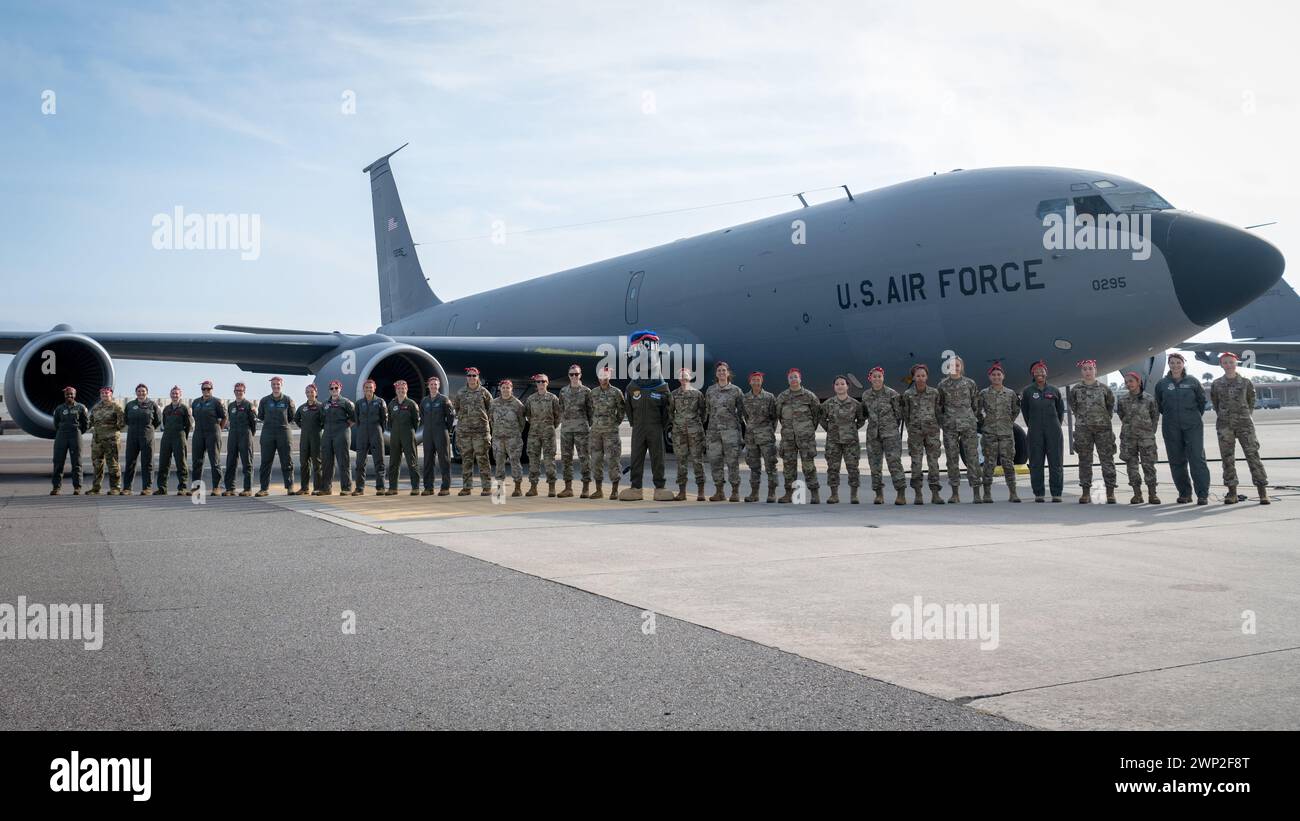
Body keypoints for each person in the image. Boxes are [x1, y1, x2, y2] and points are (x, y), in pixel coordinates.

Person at [621, 330, 674, 501]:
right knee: (636, 457)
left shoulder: (662, 388)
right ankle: (636, 488)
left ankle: (660, 487)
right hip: (638, 428)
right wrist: (636, 423)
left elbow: (668, 410)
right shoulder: (632, 388)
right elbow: (628, 409)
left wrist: (660, 425)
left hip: (655, 427)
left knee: (658, 458)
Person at [1211, 352, 1269, 504]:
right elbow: (1216, 403)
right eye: (1225, 362)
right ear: (1221, 365)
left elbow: (1251, 401)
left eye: (1231, 362)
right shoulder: (1216, 384)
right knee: (1227, 459)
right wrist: (1226, 416)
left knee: (1253, 456)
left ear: (1236, 363)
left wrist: (1244, 415)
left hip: (1245, 425)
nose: (1228, 365)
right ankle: (1232, 493)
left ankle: (1262, 491)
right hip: (1225, 425)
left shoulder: (1245, 382)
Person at [1154, 352, 1210, 505]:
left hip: (1193, 425)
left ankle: (1202, 494)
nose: (1175, 365)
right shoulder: (1162, 384)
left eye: (1178, 362)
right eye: (1172, 363)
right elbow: (1159, 404)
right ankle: (1184, 493)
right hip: (1171, 426)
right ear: (1169, 364)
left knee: (1197, 459)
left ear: (1183, 364)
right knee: (1176, 460)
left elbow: (1201, 402)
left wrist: (1192, 416)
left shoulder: (1193, 382)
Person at [1067, 359, 1117, 504]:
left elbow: (1110, 406)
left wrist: (1101, 419)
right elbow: (1074, 407)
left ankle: (1110, 492)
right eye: (1085, 369)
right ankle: (1085, 492)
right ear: (1081, 372)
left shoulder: (1104, 389)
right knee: (1084, 461)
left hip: (1103, 430)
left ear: (1095, 371)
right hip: (1083, 430)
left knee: (1107, 460)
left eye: (1090, 368)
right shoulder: (1075, 390)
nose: (1088, 372)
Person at [936, 356, 981, 503]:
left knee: (972, 458)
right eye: (951, 365)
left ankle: (976, 492)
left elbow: (975, 404)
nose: (954, 367)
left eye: (957, 365)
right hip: (950, 426)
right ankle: (955, 493)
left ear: (961, 367)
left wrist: (971, 418)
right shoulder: (942, 385)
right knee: (952, 459)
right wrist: (944, 422)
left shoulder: (970, 383)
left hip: (968, 425)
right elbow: (939, 407)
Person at [862, 366, 907, 505]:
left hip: (890, 434)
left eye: (879, 376)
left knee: (894, 463)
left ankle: (900, 494)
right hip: (873, 435)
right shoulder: (866, 395)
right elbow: (864, 413)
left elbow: (899, 414)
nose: (877, 379)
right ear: (870, 379)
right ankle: (878, 494)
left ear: (883, 377)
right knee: (875, 465)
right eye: (874, 376)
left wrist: (891, 427)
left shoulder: (892, 394)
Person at [1021, 361, 1065, 502]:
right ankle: (1039, 493)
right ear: (1033, 374)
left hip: (1053, 431)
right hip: (1035, 432)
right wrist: (1034, 425)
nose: (1040, 373)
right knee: (1036, 463)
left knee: (1056, 462)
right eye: (1036, 371)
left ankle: (1056, 493)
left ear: (1046, 373)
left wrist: (1054, 425)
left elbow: (1060, 411)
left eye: (1042, 370)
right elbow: (1025, 412)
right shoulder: (1028, 391)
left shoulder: (1054, 390)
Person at [776, 368, 821, 503]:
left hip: (805, 438)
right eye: (791, 377)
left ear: (800, 379)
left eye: (796, 377)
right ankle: (789, 494)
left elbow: (816, 415)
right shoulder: (782, 397)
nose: (793, 380)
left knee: (809, 467)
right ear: (788, 380)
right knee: (788, 467)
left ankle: (814, 494)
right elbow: (778, 415)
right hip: (788, 438)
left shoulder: (809, 396)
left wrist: (807, 429)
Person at [978, 363, 1021, 503]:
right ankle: (987, 493)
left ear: (1003, 376)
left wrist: (1008, 422)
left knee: (1008, 463)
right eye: (994, 375)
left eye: (999, 374)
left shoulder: (1010, 393)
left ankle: (1013, 493)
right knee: (989, 464)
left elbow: (1015, 410)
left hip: (1006, 433)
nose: (996, 377)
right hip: (989, 433)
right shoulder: (984, 393)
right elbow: (977, 410)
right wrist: (984, 423)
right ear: (990, 377)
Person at [902, 364, 944, 505]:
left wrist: (935, 427)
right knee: (916, 463)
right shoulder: (908, 395)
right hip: (915, 433)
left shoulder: (934, 393)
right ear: (913, 377)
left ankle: (935, 493)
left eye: (923, 375)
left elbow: (938, 412)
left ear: (927, 377)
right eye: (918, 376)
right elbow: (906, 415)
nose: (920, 378)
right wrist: (913, 428)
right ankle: (918, 493)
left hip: (932, 432)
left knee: (933, 463)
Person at [1116, 371, 1160, 504]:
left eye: (1131, 381)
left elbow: (1155, 416)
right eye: (1126, 382)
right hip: (1129, 439)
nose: (1128, 384)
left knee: (1149, 466)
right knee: (1132, 467)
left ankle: (1152, 494)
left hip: (1146, 438)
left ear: (1138, 382)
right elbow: (1122, 415)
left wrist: (1149, 432)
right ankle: (1137, 494)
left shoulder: (1149, 399)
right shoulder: (1122, 400)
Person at [705, 361, 746, 502]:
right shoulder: (710, 391)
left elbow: (741, 412)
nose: (721, 373)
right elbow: (707, 411)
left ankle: (735, 491)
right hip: (713, 432)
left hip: (731, 432)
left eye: (724, 370)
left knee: (732, 462)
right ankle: (719, 491)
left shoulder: (736, 391)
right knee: (715, 462)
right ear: (716, 374)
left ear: (728, 373)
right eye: (719, 371)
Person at [821, 376, 865, 504]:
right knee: (833, 468)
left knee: (853, 468)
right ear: (834, 387)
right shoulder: (828, 404)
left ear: (847, 386)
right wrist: (830, 430)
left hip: (850, 441)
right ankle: (834, 495)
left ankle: (854, 495)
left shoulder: (855, 404)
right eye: (837, 384)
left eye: (842, 384)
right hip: (833, 441)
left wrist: (852, 429)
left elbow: (861, 419)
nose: (840, 386)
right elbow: (822, 419)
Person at [586, 365, 625, 499]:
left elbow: (621, 411)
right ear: (598, 378)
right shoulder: (593, 393)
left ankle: (614, 490)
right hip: (596, 432)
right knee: (596, 460)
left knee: (613, 460)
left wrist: (614, 423)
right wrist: (594, 423)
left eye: (606, 378)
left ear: (609, 378)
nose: (604, 380)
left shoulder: (616, 392)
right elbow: (590, 410)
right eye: (602, 377)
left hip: (611, 432)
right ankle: (598, 490)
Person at [453, 367, 493, 496]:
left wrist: (485, 423)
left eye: (474, 376)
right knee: (466, 459)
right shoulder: (461, 393)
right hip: (465, 432)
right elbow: (457, 408)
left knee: (483, 459)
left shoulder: (484, 392)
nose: (471, 378)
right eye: (469, 376)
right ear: (466, 377)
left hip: (480, 432)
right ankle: (467, 487)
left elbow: (491, 409)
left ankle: (486, 487)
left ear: (478, 377)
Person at [670, 367, 707, 501]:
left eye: (686, 377)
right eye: (682, 377)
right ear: (679, 379)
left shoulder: (697, 394)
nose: (684, 380)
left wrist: (695, 424)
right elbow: (670, 413)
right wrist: (678, 424)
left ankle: (701, 492)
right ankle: (682, 492)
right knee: (681, 462)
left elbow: (703, 413)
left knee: (698, 461)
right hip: (679, 433)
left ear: (690, 378)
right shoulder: (674, 394)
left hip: (695, 433)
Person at [742, 371, 779, 503]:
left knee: (770, 465)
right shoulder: (745, 398)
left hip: (766, 436)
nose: (756, 382)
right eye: (754, 380)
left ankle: (771, 493)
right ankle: (754, 493)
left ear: (762, 381)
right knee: (753, 466)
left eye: (758, 380)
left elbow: (774, 417)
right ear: (750, 382)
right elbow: (745, 416)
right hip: (751, 437)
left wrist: (768, 431)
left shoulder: (769, 397)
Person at [557, 365, 593, 498]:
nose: (574, 377)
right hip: (566, 430)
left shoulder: (586, 391)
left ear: (580, 375)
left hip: (581, 430)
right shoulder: (563, 391)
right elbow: (561, 408)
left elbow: (591, 411)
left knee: (584, 458)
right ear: (568, 375)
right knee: (566, 459)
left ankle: (585, 488)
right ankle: (568, 488)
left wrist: (589, 426)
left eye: (576, 374)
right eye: (571, 374)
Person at [524, 374, 561, 497]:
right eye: (538, 382)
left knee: (549, 461)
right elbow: (528, 416)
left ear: (547, 383)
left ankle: (551, 487)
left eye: (543, 381)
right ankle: (533, 487)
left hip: (548, 433)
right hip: (534, 434)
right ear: (536, 384)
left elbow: (557, 416)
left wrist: (549, 427)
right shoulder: (530, 399)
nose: (540, 384)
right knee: (533, 461)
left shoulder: (553, 398)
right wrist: (536, 425)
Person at [122, 384, 162, 495]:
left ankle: (147, 488)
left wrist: (148, 429)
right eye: (139, 391)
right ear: (136, 392)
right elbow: (126, 419)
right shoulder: (130, 405)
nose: (141, 393)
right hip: (132, 436)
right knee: (130, 462)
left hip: (147, 436)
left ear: (147, 392)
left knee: (147, 462)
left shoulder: (153, 405)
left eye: (143, 391)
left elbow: (157, 421)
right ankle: (127, 488)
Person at [318, 380, 356, 495]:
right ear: (329, 390)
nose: (334, 390)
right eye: (332, 388)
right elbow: (321, 418)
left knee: (343, 461)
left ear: (340, 389)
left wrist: (345, 426)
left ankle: (346, 488)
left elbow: (354, 418)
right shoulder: (325, 404)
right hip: (328, 433)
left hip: (341, 433)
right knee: (327, 462)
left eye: (336, 388)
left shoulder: (346, 403)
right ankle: (326, 488)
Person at [419, 375, 455, 496]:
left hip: (441, 431)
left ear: (438, 386)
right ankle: (428, 487)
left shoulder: (444, 400)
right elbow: (422, 416)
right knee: (428, 460)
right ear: (428, 386)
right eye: (431, 384)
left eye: (435, 384)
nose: (433, 386)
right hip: (428, 433)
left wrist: (446, 428)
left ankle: (445, 487)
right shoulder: (424, 401)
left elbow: (450, 417)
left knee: (444, 460)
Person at [50, 386, 89, 495]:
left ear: (75, 395)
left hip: (75, 435)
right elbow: (56, 423)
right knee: (58, 462)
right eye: (67, 394)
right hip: (61, 436)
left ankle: (77, 487)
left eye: (71, 394)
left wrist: (77, 431)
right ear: (64, 395)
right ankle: (56, 488)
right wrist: (62, 431)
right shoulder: (59, 409)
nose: (69, 396)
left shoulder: (81, 407)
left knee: (77, 462)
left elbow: (85, 424)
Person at [87, 386, 126, 495]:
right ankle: (96, 488)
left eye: (107, 393)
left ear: (111, 394)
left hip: (111, 439)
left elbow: (122, 422)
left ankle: (115, 487)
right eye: (103, 393)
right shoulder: (96, 408)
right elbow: (90, 422)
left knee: (112, 463)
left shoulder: (116, 407)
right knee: (97, 464)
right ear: (100, 395)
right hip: (97, 439)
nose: (105, 395)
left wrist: (112, 430)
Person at [385, 379, 422, 495]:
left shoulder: (411, 404)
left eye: (403, 389)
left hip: (408, 434)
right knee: (393, 462)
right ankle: (393, 488)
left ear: (406, 390)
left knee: (412, 461)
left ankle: (415, 487)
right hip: (395, 435)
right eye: (399, 389)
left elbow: (416, 422)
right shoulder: (391, 404)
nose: (401, 391)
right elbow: (389, 421)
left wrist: (409, 432)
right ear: (396, 390)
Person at [190, 379, 226, 493]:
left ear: (212, 389)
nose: (206, 390)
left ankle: (216, 487)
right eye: (204, 388)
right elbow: (194, 416)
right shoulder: (195, 402)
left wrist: (219, 429)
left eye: (208, 388)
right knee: (197, 461)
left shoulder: (217, 402)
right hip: (199, 433)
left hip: (213, 433)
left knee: (214, 461)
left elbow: (224, 417)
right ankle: (196, 486)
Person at [491, 379, 526, 496]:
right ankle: (500, 490)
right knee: (499, 464)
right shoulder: (494, 403)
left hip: (513, 439)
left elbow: (522, 422)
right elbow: (492, 420)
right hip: (498, 439)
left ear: (511, 389)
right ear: (500, 389)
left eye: (508, 387)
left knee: (515, 462)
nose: (505, 390)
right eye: (503, 387)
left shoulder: (517, 404)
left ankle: (517, 488)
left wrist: (514, 433)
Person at [352, 378, 387, 496]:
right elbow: (357, 419)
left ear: (374, 388)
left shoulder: (380, 402)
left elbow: (384, 420)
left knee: (379, 461)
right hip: (362, 433)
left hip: (376, 432)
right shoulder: (359, 403)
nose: (368, 390)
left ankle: (380, 487)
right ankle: (359, 488)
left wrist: (379, 430)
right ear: (363, 389)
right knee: (360, 462)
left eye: (370, 387)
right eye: (366, 388)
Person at [156, 386, 193, 495]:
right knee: (163, 463)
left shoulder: (184, 408)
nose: (174, 395)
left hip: (179, 436)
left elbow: (188, 425)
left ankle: (183, 487)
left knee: (181, 463)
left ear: (180, 395)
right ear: (170, 395)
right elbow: (164, 422)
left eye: (176, 394)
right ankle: (162, 488)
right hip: (167, 437)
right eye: (173, 393)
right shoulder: (167, 409)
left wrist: (183, 437)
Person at [224, 382, 257, 496]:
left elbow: (253, 423)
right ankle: (230, 488)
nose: (239, 392)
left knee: (247, 462)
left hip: (245, 434)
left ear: (244, 392)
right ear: (234, 392)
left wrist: (250, 434)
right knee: (231, 461)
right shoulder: (231, 406)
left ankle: (247, 489)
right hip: (233, 435)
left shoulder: (249, 405)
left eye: (241, 391)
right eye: (237, 390)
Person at [293, 383, 325, 496]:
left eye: (312, 392)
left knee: (317, 463)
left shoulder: (321, 406)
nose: (310, 394)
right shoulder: (302, 408)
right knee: (304, 463)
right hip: (305, 438)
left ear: (316, 393)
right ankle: (304, 487)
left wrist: (318, 428)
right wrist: (304, 427)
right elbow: (296, 419)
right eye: (308, 392)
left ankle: (318, 487)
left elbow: (324, 421)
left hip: (317, 437)